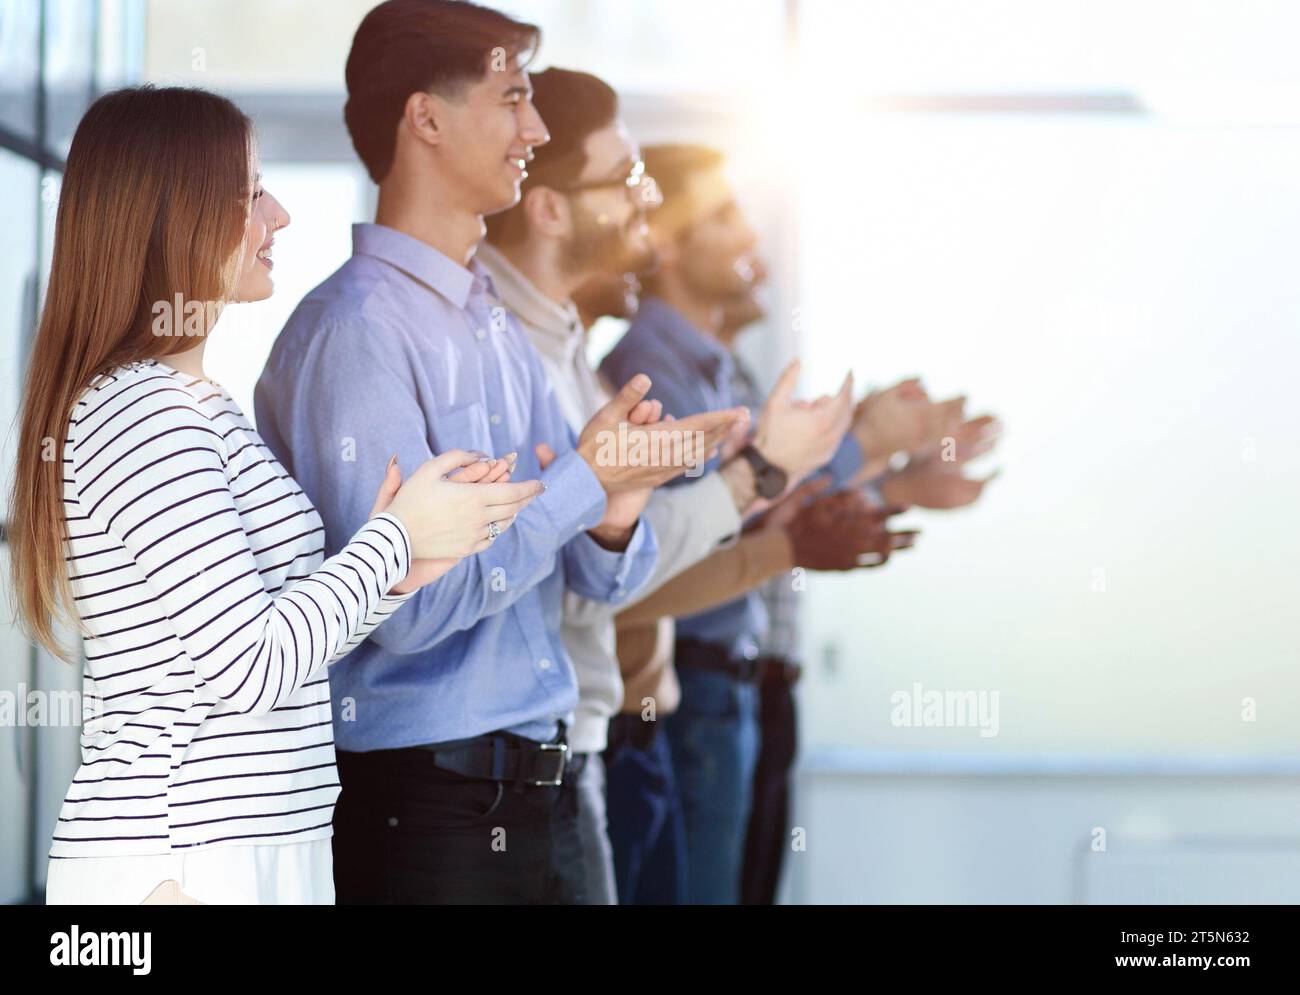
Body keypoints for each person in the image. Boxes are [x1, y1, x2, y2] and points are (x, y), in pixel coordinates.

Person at [254, 0, 743, 904]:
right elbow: (402, 608)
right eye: (513, 99)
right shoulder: (356, 331)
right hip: (430, 816)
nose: (538, 128)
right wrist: (580, 485)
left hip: (546, 791)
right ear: (426, 118)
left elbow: (580, 581)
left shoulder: (494, 323)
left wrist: (615, 507)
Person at [9, 85, 541, 905]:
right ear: (173, 214)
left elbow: (273, 633)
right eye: (251, 191)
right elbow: (249, 665)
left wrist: (404, 562)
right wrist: (393, 540)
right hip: (184, 863)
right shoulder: (148, 413)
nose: (280, 213)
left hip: (242, 848)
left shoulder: (198, 405)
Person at [478, 67, 863, 903]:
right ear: (549, 208)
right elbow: (609, 588)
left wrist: (771, 483)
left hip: (611, 734)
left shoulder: (572, 352)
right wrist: (763, 484)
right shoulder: (603, 365)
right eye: (628, 188)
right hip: (600, 736)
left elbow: (612, 562)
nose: (644, 220)